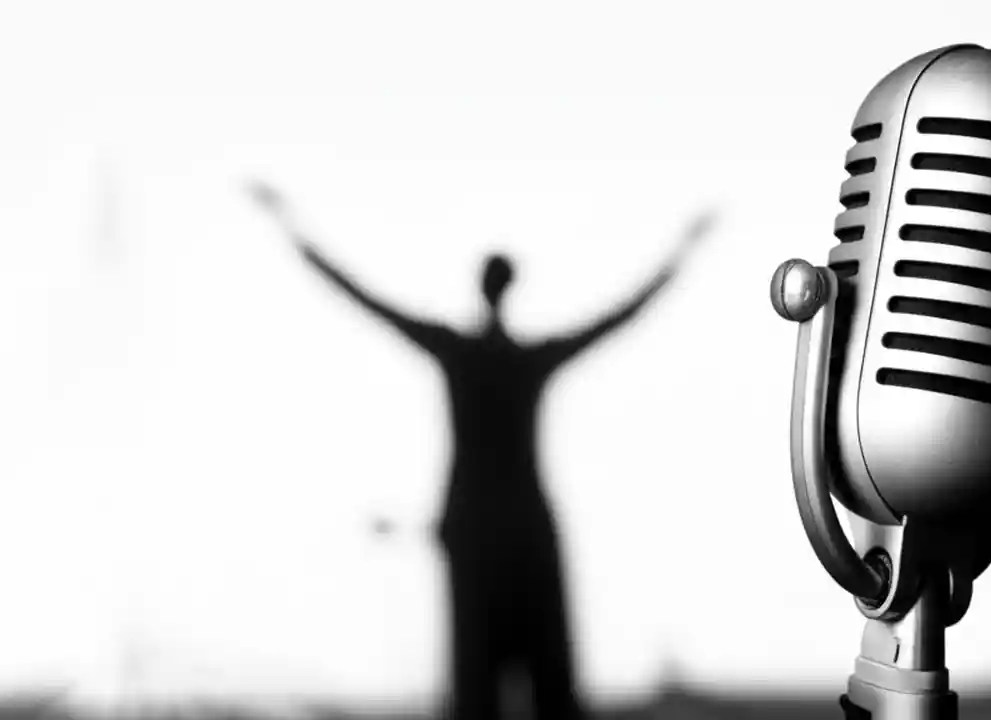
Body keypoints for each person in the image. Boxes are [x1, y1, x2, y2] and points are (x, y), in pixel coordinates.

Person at [250, 182, 712, 720]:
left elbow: (363, 296)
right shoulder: (526, 360)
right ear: (509, 289)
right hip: (517, 532)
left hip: (478, 531)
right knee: (541, 683)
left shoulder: (460, 352)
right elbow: (619, 316)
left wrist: (294, 231)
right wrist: (680, 255)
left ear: (482, 288)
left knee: (481, 683)